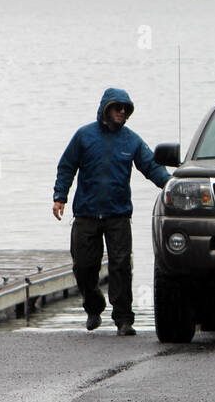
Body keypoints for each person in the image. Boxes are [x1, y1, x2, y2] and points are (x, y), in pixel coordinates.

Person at [52, 87, 170, 335]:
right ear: (106, 108)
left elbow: (152, 167)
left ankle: (124, 319)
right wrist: (59, 197)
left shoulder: (132, 141)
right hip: (86, 214)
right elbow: (66, 166)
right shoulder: (84, 136)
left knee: (121, 266)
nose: (122, 112)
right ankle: (94, 306)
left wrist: (172, 187)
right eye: (118, 108)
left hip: (118, 216)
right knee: (84, 266)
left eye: (126, 109)